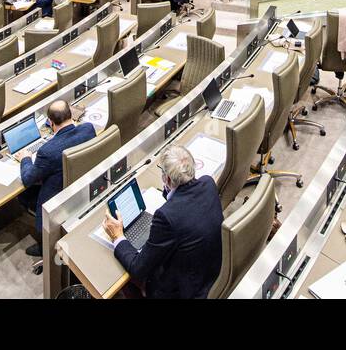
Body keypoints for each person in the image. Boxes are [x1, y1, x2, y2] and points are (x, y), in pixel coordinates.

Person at [102, 144, 223, 298]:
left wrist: (118, 236)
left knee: (124, 283)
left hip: (182, 291)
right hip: (210, 276)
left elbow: (138, 269)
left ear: (166, 178)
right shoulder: (208, 183)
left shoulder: (166, 217)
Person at [18, 99, 97, 256]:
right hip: (83, 189)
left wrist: (25, 158)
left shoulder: (47, 151)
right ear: (70, 115)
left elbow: (28, 179)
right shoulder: (88, 129)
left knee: (23, 195)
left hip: (56, 202)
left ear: (50, 122)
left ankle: (44, 245)